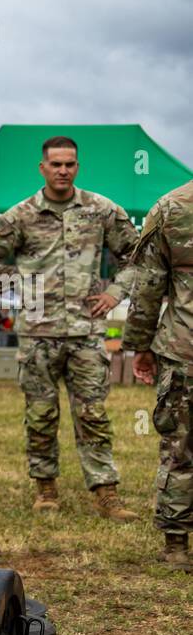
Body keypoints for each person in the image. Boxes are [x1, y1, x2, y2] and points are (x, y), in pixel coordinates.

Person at [0, 136, 140, 520]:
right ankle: (45, 488)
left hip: (86, 332)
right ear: (42, 168)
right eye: (56, 164)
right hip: (38, 332)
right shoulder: (21, 215)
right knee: (41, 414)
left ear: (77, 167)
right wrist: (22, 282)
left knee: (93, 413)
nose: (63, 170)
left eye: (70, 164)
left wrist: (114, 293)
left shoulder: (101, 210)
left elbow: (136, 256)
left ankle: (106, 492)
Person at [124, 178, 193, 570]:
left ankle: (176, 545)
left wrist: (140, 344)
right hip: (184, 351)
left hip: (183, 351)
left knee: (179, 448)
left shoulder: (171, 207)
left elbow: (149, 287)